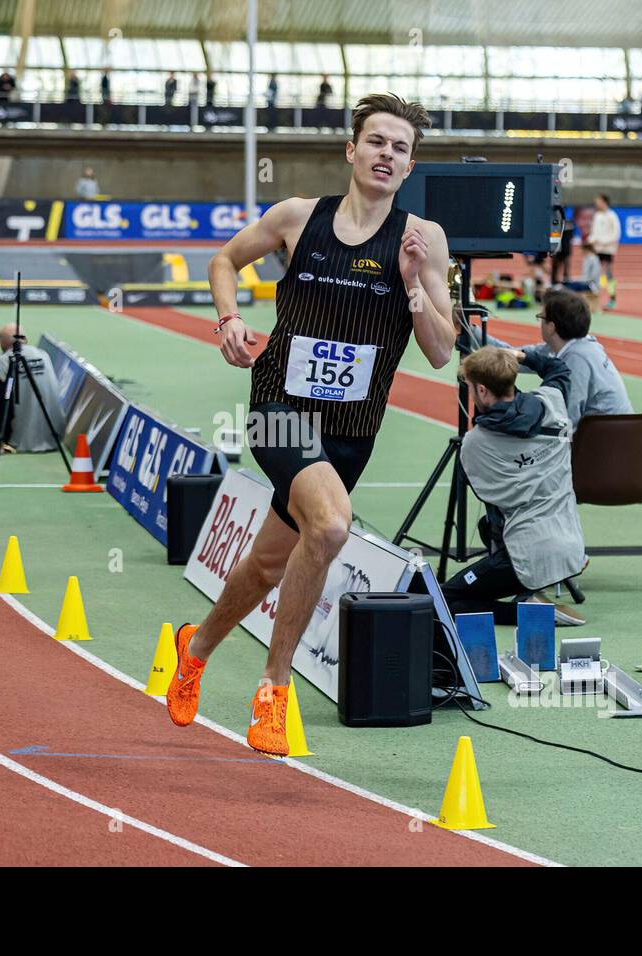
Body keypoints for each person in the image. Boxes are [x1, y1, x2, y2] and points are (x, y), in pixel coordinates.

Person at [164, 92, 455, 755]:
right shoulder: (298, 218)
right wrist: (230, 320)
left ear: (410, 166)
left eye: (400, 147)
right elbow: (223, 262)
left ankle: (197, 646)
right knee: (329, 526)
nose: (387, 154)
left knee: (271, 561)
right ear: (352, 151)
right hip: (277, 407)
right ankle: (273, 689)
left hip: (352, 431)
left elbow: (442, 350)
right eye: (376, 141)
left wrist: (412, 285)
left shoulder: (423, 239)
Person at [440, 346, 586, 626]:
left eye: (470, 387)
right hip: (571, 545)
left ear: (482, 391)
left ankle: (533, 612)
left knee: (446, 599)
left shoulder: (475, 442)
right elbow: (558, 370)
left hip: (526, 557)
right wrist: (520, 356)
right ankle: (532, 594)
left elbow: (486, 494)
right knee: (486, 526)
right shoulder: (552, 401)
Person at [487, 288, 632, 431]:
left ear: (551, 327)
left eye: (541, 317)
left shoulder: (576, 359)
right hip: (615, 437)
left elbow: (566, 420)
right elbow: (512, 354)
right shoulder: (580, 345)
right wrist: (471, 330)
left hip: (606, 445)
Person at [0, 323, 61, 452]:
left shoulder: (0, 363)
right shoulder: (44, 355)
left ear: (1, 343)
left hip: (19, 442)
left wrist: (1, 440)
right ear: (25, 339)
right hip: (54, 438)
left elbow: (1, 406)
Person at [587, 194, 620, 309]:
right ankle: (593, 299)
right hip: (597, 249)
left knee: (608, 274)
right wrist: (591, 240)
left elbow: (616, 233)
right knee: (593, 273)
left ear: (604, 202)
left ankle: (612, 298)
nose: (596, 204)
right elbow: (593, 231)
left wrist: (603, 242)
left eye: (598, 201)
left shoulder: (612, 216)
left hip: (607, 249)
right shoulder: (597, 215)